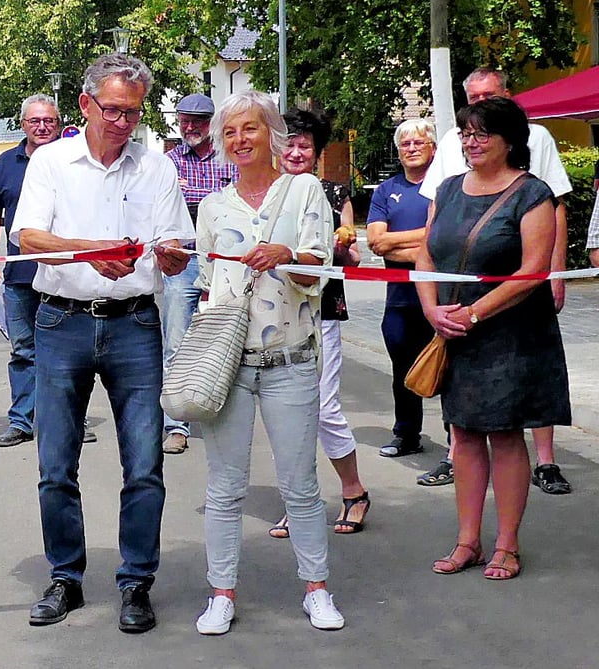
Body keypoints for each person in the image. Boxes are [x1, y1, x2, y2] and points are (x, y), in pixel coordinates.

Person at [11, 53, 193, 633]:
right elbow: (29, 235)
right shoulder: (51, 161)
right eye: (111, 109)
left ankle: (136, 583)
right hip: (61, 322)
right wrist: (93, 250)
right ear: (86, 104)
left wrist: (169, 255)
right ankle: (65, 576)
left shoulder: (156, 166)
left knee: (144, 463)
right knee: (55, 463)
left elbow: (177, 243)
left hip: (135, 323)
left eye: (132, 113)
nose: (122, 122)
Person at [193, 91, 343, 636]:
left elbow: (318, 276)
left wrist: (289, 256)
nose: (240, 140)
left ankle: (317, 588)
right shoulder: (212, 207)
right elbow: (208, 287)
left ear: (271, 133)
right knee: (224, 488)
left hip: (292, 360)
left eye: (250, 129)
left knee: (299, 484)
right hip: (230, 364)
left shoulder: (303, 191)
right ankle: (222, 593)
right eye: (229, 132)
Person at [419, 97, 570, 580]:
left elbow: (533, 270)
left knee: (505, 434)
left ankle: (507, 544)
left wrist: (474, 313)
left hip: (511, 333)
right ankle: (468, 541)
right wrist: (432, 309)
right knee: (462, 433)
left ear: (510, 140)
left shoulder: (533, 193)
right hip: (455, 329)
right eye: (465, 133)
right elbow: (426, 257)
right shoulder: (446, 188)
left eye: (482, 133)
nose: (471, 142)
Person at [267, 108, 368, 539]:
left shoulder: (332, 192)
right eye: (287, 142)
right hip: (274, 312)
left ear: (316, 152)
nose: (294, 151)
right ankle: (300, 502)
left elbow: (351, 252)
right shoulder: (267, 192)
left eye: (304, 145)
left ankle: (354, 491)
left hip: (321, 310)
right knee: (289, 412)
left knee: (323, 407)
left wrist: (343, 246)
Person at [0, 94, 99, 446]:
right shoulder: (6, 163)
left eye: (49, 120)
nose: (43, 126)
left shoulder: (76, 161)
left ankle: (71, 420)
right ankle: (21, 420)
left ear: (59, 122)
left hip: (66, 276)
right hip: (19, 277)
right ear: (23, 125)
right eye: (35, 121)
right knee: (23, 350)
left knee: (69, 351)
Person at [366, 120, 451, 483]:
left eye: (419, 142)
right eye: (405, 143)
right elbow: (375, 241)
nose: (412, 148)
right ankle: (407, 434)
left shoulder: (445, 187)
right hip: (399, 299)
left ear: (432, 147)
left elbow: (443, 240)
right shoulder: (386, 190)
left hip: (441, 298)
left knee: (449, 370)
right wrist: (424, 244)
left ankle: (455, 444)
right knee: (402, 368)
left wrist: (408, 244)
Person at [161, 93, 238, 455]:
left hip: (227, 261)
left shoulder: (231, 159)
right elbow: (164, 207)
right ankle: (176, 425)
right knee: (176, 342)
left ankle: (221, 417)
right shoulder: (169, 161)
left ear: (213, 124)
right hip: (184, 259)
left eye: (198, 121)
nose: (190, 127)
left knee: (226, 339)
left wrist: (194, 198)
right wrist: (210, 199)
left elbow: (237, 205)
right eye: (184, 120)